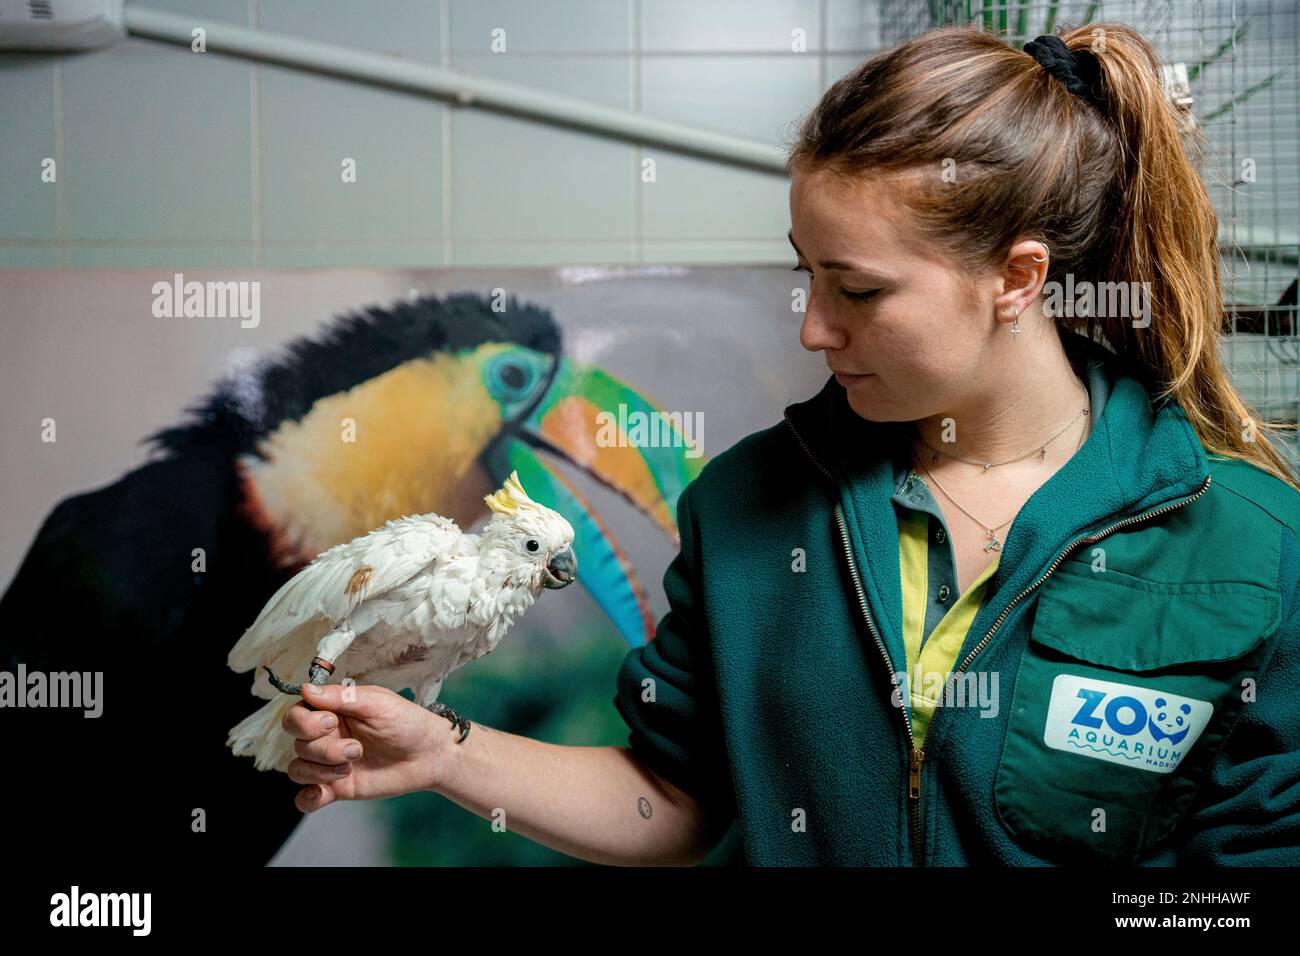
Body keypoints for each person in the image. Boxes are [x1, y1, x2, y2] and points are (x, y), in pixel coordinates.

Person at [276, 23, 1300, 865]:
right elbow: (671, 796)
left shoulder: (1248, 541)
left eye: (857, 289)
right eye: (805, 274)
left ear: (1017, 279)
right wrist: (440, 749)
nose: (814, 327)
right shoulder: (750, 505)